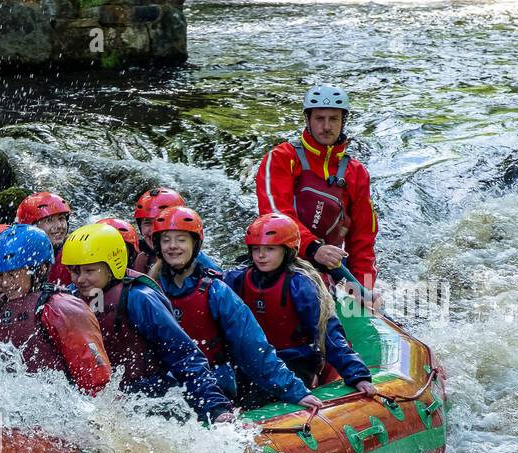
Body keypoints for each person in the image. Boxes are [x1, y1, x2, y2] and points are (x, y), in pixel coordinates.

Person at [150, 206, 324, 411]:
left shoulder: (217, 292)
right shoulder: (150, 292)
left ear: (195, 244)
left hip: (214, 383)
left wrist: (295, 391)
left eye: (181, 239)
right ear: (158, 245)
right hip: (170, 384)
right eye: (166, 240)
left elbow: (252, 349)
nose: (172, 246)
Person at [61, 222, 233, 422]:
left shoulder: (140, 298)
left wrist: (215, 408)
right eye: (74, 271)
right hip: (103, 401)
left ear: (112, 266)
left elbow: (184, 356)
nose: (80, 279)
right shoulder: (70, 299)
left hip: (152, 396)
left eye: (89, 271)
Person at [224, 213, 376, 395]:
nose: (261, 256)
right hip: (255, 361)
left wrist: (357, 375)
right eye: (256, 249)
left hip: (295, 362)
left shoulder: (301, 285)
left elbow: (328, 333)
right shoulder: (238, 279)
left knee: (260, 395)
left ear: (287, 250)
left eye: (270, 249)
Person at [255, 84, 381, 303]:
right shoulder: (281, 157)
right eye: (319, 118)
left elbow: (363, 239)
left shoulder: (357, 173)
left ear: (343, 122)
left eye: (334, 119)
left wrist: (363, 289)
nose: (326, 126)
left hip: (328, 271)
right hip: (279, 262)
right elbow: (275, 213)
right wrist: (314, 248)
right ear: (308, 120)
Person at [0, 224, 111, 395]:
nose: (5, 283)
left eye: (13, 274)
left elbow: (97, 382)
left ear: (41, 269)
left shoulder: (62, 309)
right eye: (1, 275)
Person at [131, 187, 221, 278]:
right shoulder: (139, 256)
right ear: (140, 226)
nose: (154, 230)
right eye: (147, 223)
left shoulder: (206, 269)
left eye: (163, 222)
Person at [16, 191, 73, 286]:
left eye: (61, 218)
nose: (59, 226)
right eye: (49, 220)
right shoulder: (17, 257)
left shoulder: (73, 251)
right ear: (32, 227)